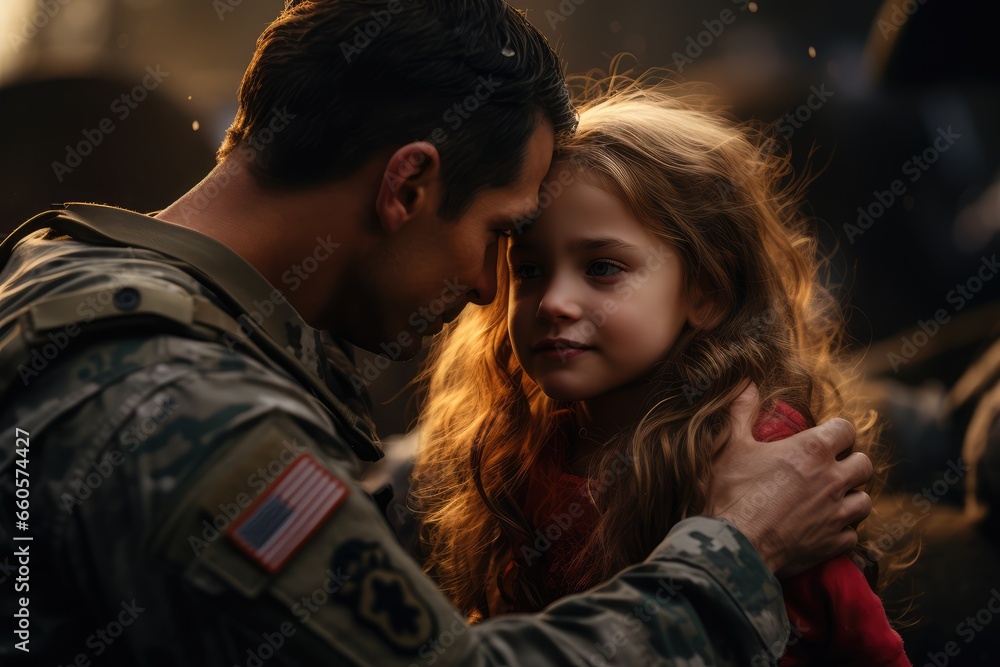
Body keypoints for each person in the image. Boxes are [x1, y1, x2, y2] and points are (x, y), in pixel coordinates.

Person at [0, 2, 870, 665]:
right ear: (408, 185)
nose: (491, 288)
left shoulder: (65, 277)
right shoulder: (191, 407)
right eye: (503, 237)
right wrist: (737, 550)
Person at [414, 82, 907, 664]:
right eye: (529, 270)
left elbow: (865, 644)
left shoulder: (756, 454)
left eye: (601, 267)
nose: (553, 301)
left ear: (706, 290)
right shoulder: (521, 450)